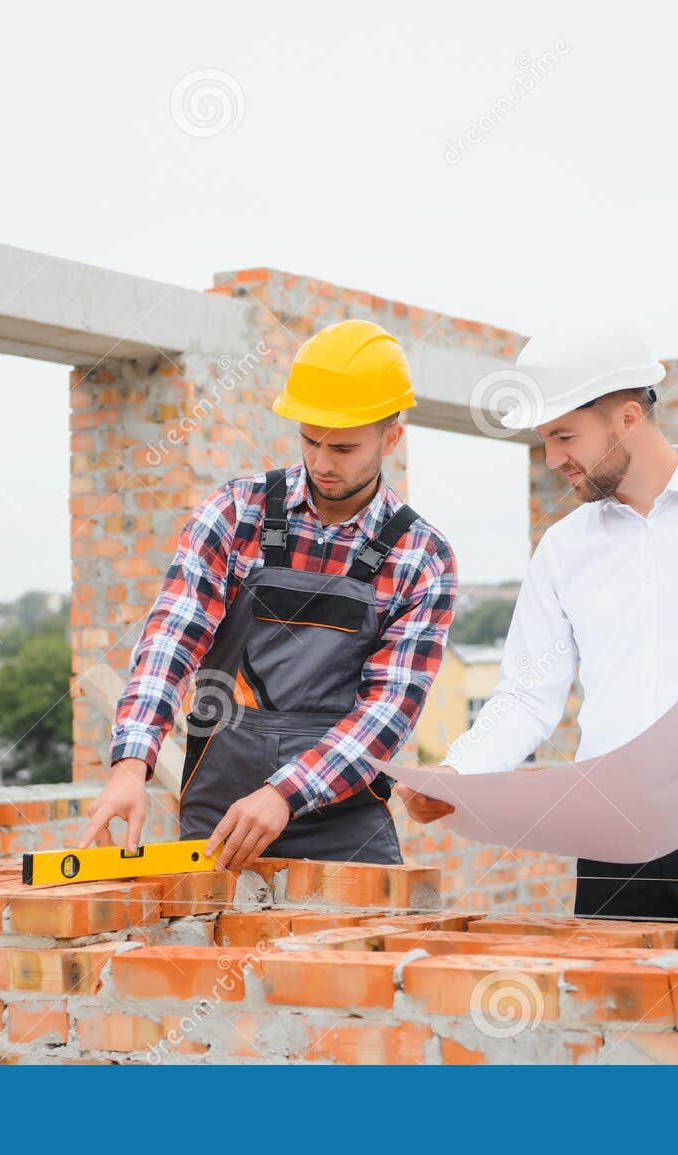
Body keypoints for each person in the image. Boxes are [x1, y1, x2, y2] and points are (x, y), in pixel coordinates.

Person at [398, 320, 678, 923]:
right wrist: (459, 773)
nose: (555, 458)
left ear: (629, 417)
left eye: (565, 437)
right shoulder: (561, 549)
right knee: (610, 1014)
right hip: (608, 837)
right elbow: (526, 698)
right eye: (547, 440)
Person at [85, 319, 457, 871]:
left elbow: (388, 711)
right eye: (310, 440)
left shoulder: (421, 556)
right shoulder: (238, 513)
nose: (323, 463)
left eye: (345, 447)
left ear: (391, 436)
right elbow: (170, 641)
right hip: (221, 815)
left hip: (343, 825)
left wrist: (284, 793)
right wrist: (130, 765)